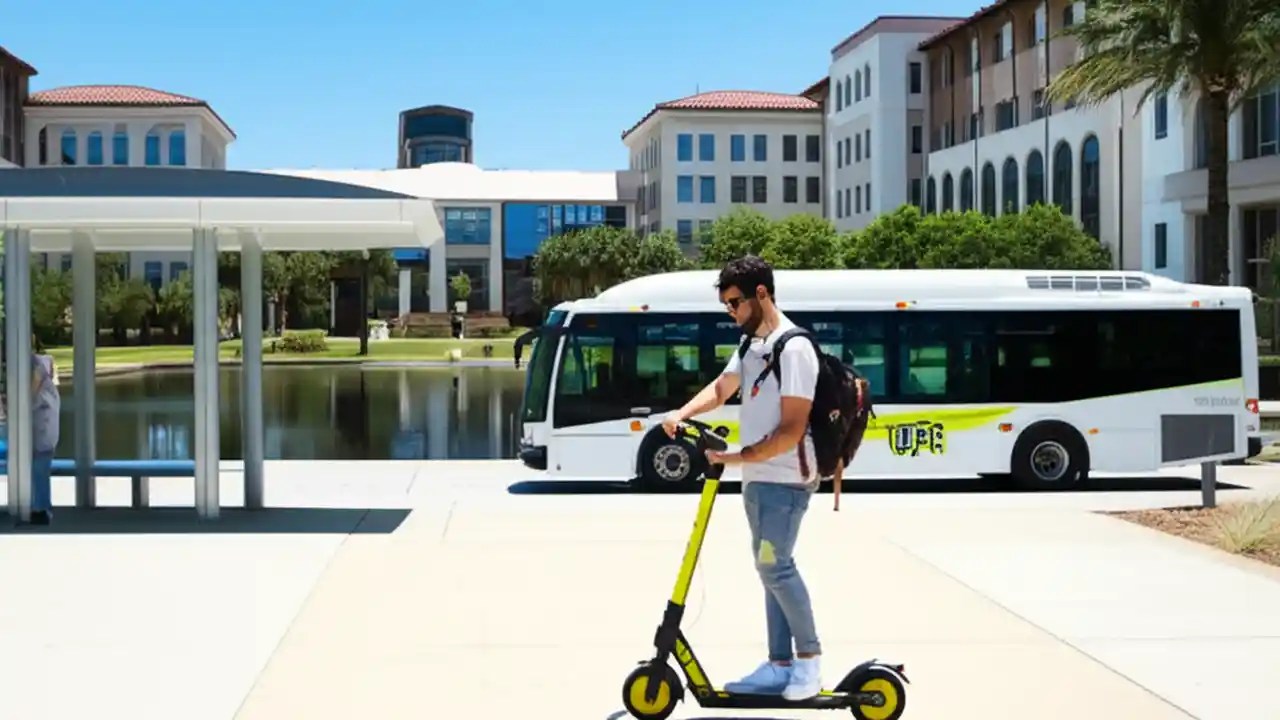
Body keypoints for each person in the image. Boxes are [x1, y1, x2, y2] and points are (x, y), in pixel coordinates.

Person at [661, 255, 823, 700]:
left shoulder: (794, 349)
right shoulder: (752, 345)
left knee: (776, 566)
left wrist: (734, 457)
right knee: (770, 569)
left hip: (787, 478)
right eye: (726, 305)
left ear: (762, 295)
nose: (730, 313)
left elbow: (791, 430)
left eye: (734, 303)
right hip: (758, 477)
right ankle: (779, 664)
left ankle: (808, 663)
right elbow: (721, 388)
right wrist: (682, 412)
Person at [30, 337, 60, 525]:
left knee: (40, 466)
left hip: (42, 428)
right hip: (43, 427)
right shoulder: (41, 365)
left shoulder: (36, 366)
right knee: (40, 467)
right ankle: (40, 507)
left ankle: (41, 508)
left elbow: (32, 391)